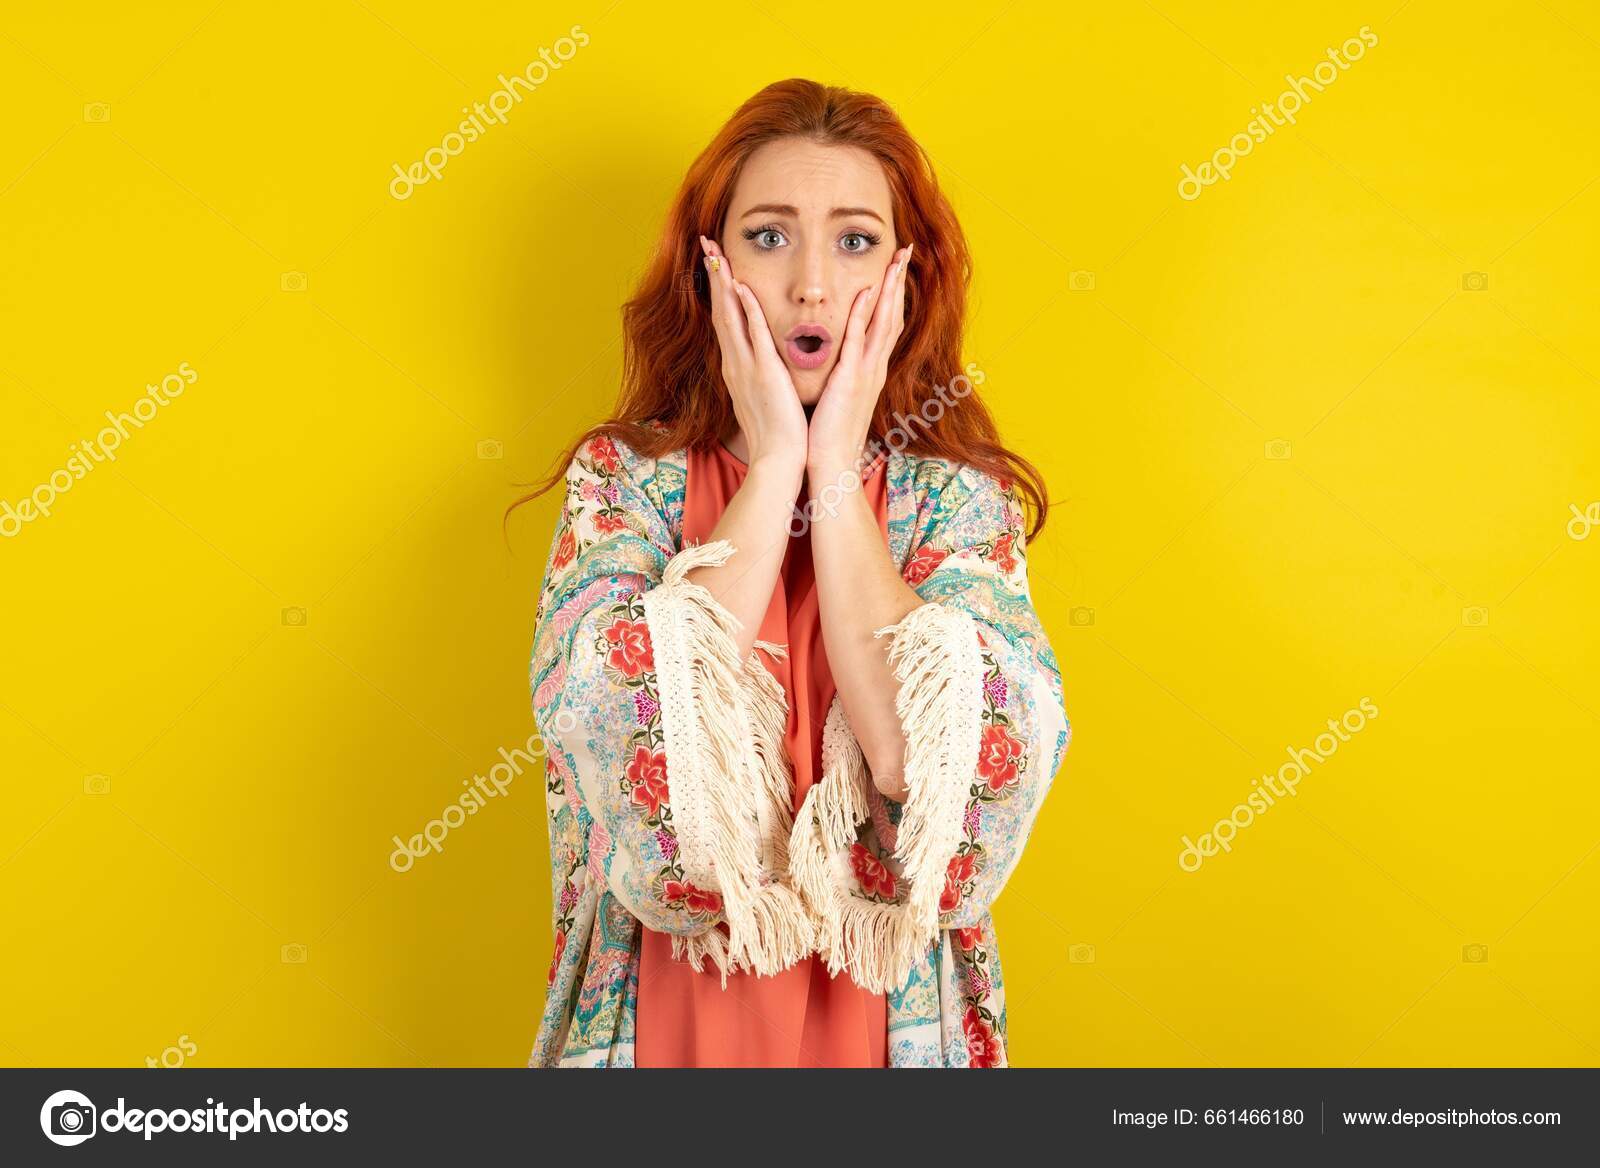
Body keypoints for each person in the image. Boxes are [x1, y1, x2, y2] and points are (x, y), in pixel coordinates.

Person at [516, 78, 1070, 1068]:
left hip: (885, 1029)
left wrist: (837, 472)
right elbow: (643, 770)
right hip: (669, 1024)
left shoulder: (955, 502)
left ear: (904, 278)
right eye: (769, 236)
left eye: (854, 240)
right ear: (711, 268)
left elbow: (932, 785)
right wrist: (774, 464)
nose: (811, 284)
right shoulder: (624, 483)